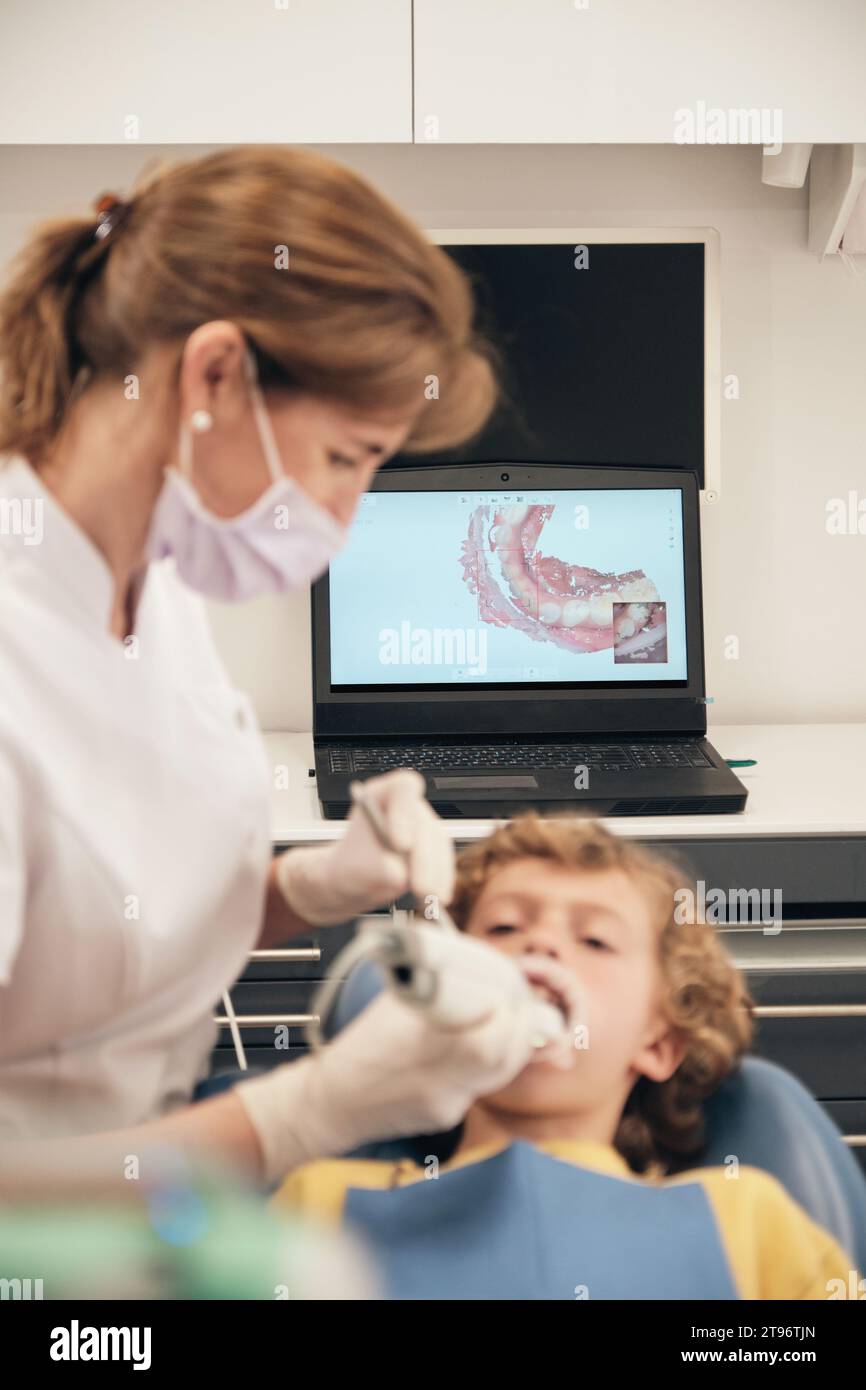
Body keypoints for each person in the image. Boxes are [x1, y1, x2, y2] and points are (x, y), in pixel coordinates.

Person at [0, 144, 543, 1186]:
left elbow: (108, 924)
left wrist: (313, 883)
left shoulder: (151, 584)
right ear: (212, 373)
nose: (345, 520)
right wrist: (300, 1115)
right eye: (345, 459)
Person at [275, 813, 859, 1299]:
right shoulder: (322, 1201)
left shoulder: (750, 1221)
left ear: (656, 1044)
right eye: (504, 927)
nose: (542, 944)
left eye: (595, 940)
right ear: (445, 993)